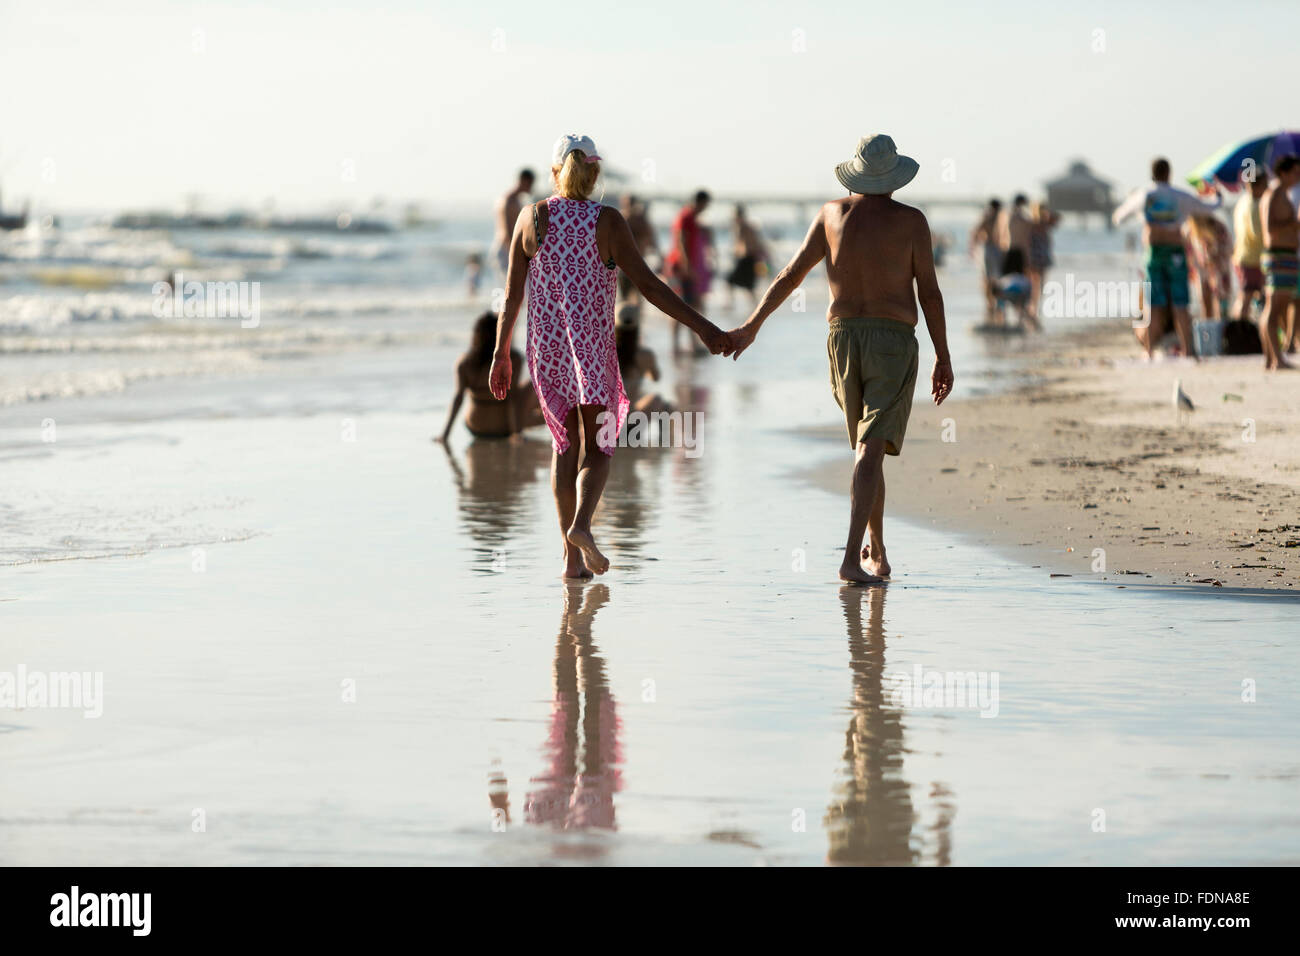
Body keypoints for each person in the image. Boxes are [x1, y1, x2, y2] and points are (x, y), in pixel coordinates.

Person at [490, 134, 731, 578]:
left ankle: (571, 562)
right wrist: (705, 328)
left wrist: (501, 353)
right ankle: (581, 527)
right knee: (599, 446)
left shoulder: (532, 217)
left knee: (564, 447)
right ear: (595, 173)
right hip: (591, 350)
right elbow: (653, 288)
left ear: (555, 172)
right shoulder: (608, 222)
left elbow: (510, 295)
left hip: (548, 349)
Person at [727, 134, 953, 585]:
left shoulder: (832, 214)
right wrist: (943, 355)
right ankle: (851, 559)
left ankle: (879, 552)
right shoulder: (911, 222)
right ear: (894, 178)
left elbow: (791, 274)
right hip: (892, 341)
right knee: (870, 448)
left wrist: (752, 325)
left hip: (842, 341)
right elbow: (928, 291)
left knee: (868, 449)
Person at [1112, 157, 1221, 360]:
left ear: (1151, 173)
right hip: (1176, 253)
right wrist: (1217, 195)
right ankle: (1188, 350)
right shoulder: (1179, 195)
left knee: (1154, 304)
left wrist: (1141, 215)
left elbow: (1118, 217)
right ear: (1169, 173)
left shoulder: (1144, 195)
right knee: (1180, 303)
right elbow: (1210, 207)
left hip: (1154, 253)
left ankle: (1149, 350)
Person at [436, 311, 544, 443]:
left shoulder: (465, 363)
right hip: (504, 426)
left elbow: (458, 398)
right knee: (538, 382)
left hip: (475, 426)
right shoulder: (513, 359)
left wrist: (445, 435)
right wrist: (516, 433)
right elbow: (513, 398)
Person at [1259, 154, 1300, 369]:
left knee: (1272, 308)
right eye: (1295, 172)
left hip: (1282, 256)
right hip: (1279, 255)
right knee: (1275, 309)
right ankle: (1277, 359)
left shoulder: (1277, 193)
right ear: (1283, 173)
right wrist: (1294, 225)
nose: (1298, 176)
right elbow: (1270, 231)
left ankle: (1270, 358)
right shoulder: (1275, 194)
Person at [663, 190, 711, 354]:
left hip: (683, 267)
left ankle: (690, 344)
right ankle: (677, 346)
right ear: (701, 202)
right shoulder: (686, 217)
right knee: (681, 306)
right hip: (680, 268)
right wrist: (687, 267)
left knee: (690, 305)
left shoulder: (690, 218)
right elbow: (681, 241)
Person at [615, 309, 672, 415]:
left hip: (606, 418)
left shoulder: (607, 355)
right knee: (660, 401)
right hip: (631, 418)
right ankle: (666, 431)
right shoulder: (645, 355)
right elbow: (656, 377)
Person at [1232, 171, 1268, 322]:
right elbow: (1258, 232)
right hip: (1252, 258)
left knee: (1245, 297)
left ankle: (1239, 329)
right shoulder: (1255, 204)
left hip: (1243, 255)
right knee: (1246, 298)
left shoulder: (1242, 202)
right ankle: (1239, 331)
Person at [1185, 214, 1233, 320]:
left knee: (1221, 303)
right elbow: (1189, 252)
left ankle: (1221, 331)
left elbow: (1229, 248)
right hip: (1202, 270)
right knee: (1205, 302)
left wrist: (1213, 256)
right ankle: (1209, 332)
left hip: (1219, 269)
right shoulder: (1191, 229)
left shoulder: (1218, 227)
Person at [492, 168, 535, 276]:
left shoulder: (515, 200)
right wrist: (516, 255)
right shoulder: (509, 201)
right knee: (508, 287)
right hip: (506, 248)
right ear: (524, 180)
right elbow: (506, 230)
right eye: (530, 183)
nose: (531, 187)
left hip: (508, 247)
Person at [726, 204, 768, 308]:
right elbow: (757, 243)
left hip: (747, 258)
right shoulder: (747, 226)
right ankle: (757, 306)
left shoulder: (742, 227)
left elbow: (745, 244)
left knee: (731, 280)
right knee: (748, 286)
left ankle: (731, 304)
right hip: (748, 258)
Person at [1026, 201, 1059, 325]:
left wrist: (1048, 214)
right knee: (1033, 284)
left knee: (1040, 285)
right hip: (1035, 256)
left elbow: (1057, 219)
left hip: (1043, 255)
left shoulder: (1046, 223)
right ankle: (1031, 308)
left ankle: (1034, 309)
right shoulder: (1031, 223)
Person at [968, 199, 1002, 320]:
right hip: (994, 249)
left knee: (988, 279)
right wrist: (973, 247)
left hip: (988, 249)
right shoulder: (998, 217)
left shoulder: (987, 216)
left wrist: (973, 247)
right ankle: (992, 303)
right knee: (993, 279)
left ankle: (990, 304)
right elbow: (975, 232)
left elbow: (974, 232)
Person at [997, 194, 1033, 265]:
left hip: (1008, 246)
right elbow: (1027, 233)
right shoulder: (1022, 217)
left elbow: (1000, 232)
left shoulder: (1005, 214)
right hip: (1017, 248)